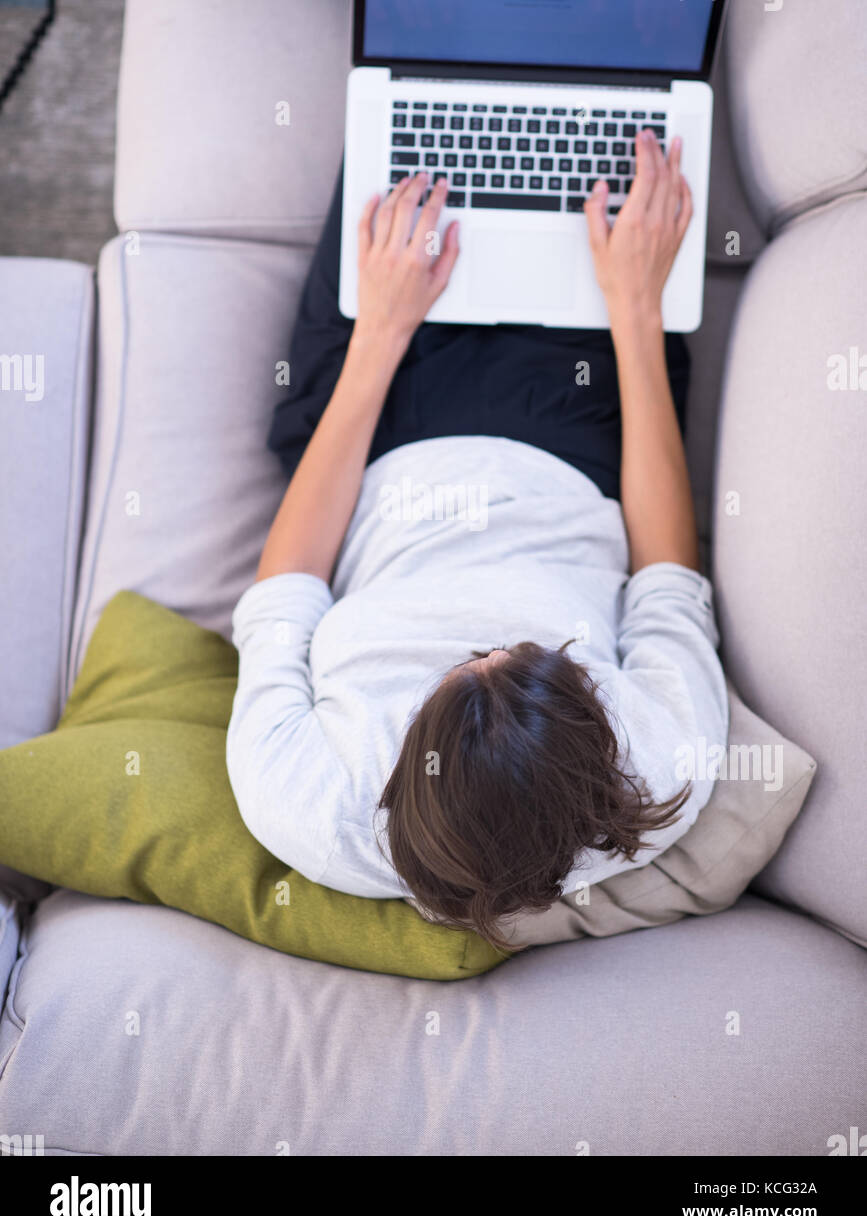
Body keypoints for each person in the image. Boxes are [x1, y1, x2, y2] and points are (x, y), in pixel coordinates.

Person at [226, 126, 729, 950]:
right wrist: (634, 310)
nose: (483, 634)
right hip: (577, 433)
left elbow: (286, 590)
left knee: (405, 123)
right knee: (593, 122)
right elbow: (665, 575)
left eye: (463, 665)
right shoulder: (662, 763)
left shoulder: (305, 799)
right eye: (533, 650)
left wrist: (382, 333)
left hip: (370, 436)